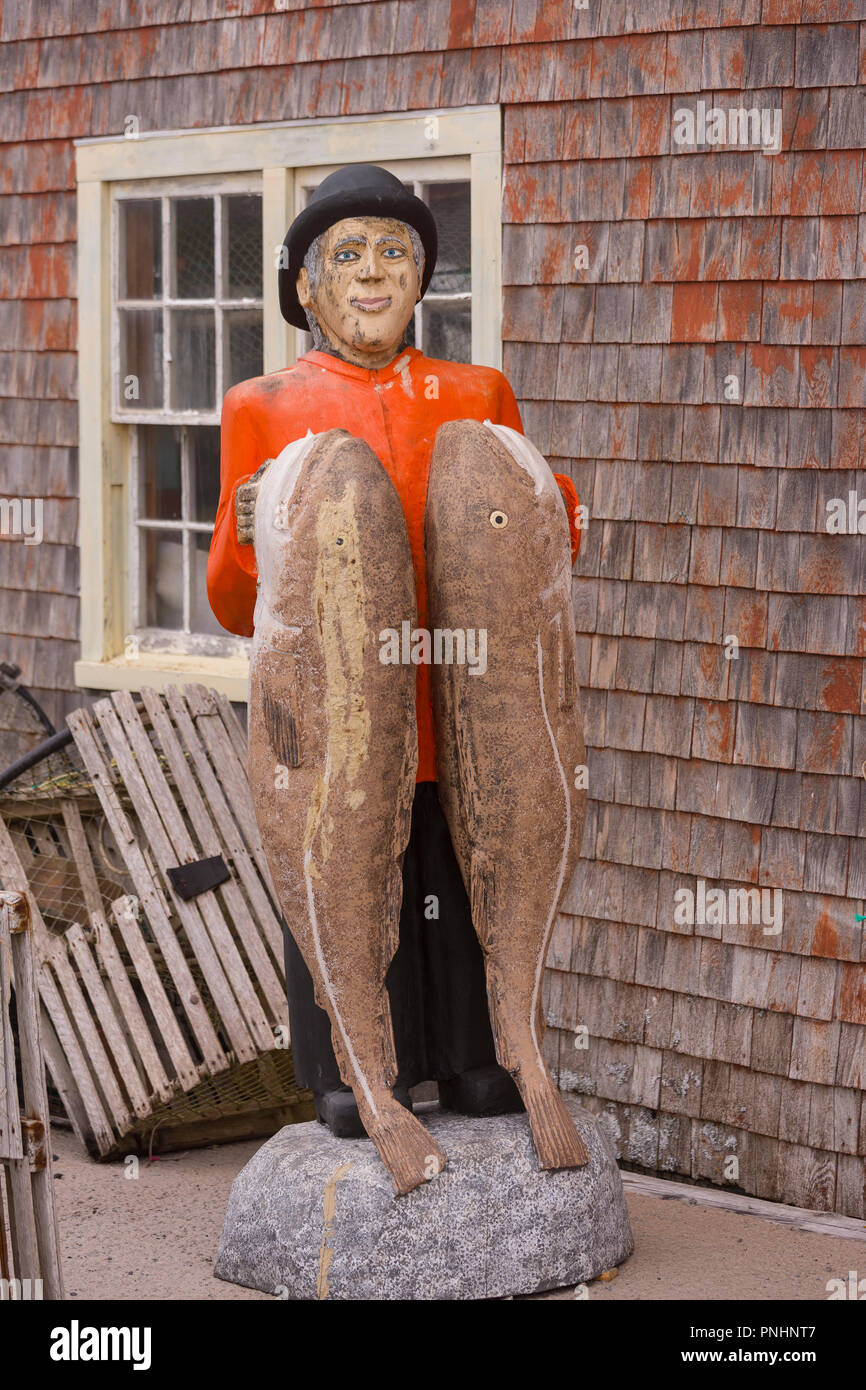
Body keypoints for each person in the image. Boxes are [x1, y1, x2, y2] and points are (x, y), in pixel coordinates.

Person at [207, 165, 581, 1136]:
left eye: (392, 252)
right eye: (347, 254)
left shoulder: (474, 392)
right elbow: (233, 602)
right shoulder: (262, 404)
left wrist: (547, 505)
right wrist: (248, 532)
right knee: (338, 870)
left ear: (420, 280)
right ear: (304, 286)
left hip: (458, 706)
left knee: (456, 878)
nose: (372, 274)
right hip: (330, 715)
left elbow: (527, 544)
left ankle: (472, 1054)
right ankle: (350, 1064)